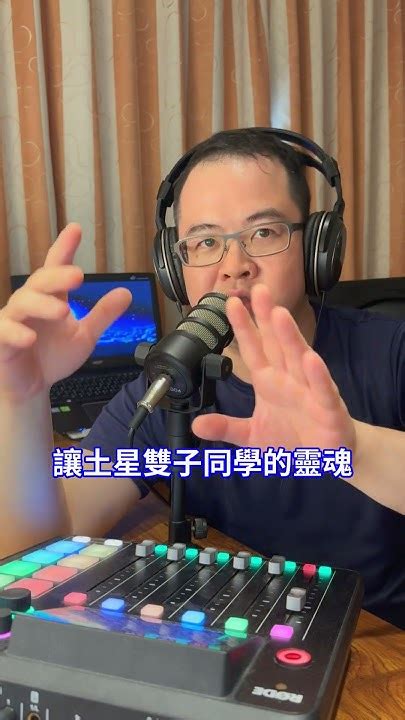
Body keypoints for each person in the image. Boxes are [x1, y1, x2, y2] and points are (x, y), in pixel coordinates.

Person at [0, 128, 404, 629]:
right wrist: (22, 395)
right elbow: (37, 552)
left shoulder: (391, 350)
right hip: (235, 639)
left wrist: (355, 450)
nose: (234, 267)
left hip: (381, 648)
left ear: (317, 246)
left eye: (264, 232)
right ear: (177, 267)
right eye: (207, 241)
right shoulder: (167, 387)